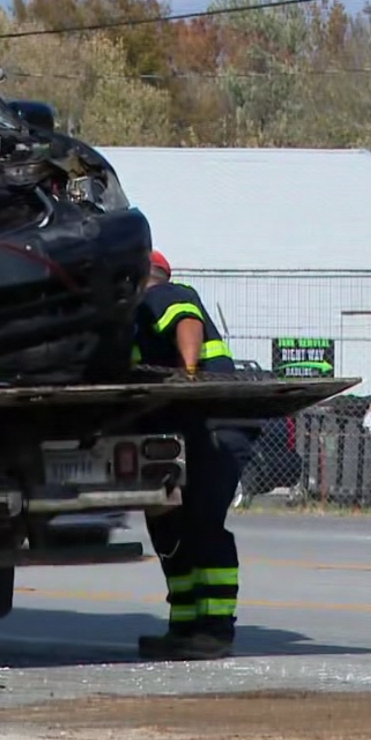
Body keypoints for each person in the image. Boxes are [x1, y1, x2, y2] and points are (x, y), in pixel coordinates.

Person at [130, 250, 259, 661]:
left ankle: (216, 629)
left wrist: (187, 377)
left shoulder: (163, 293)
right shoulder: (136, 319)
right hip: (184, 431)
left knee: (203, 524)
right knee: (169, 529)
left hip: (214, 428)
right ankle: (184, 626)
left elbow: (186, 321)